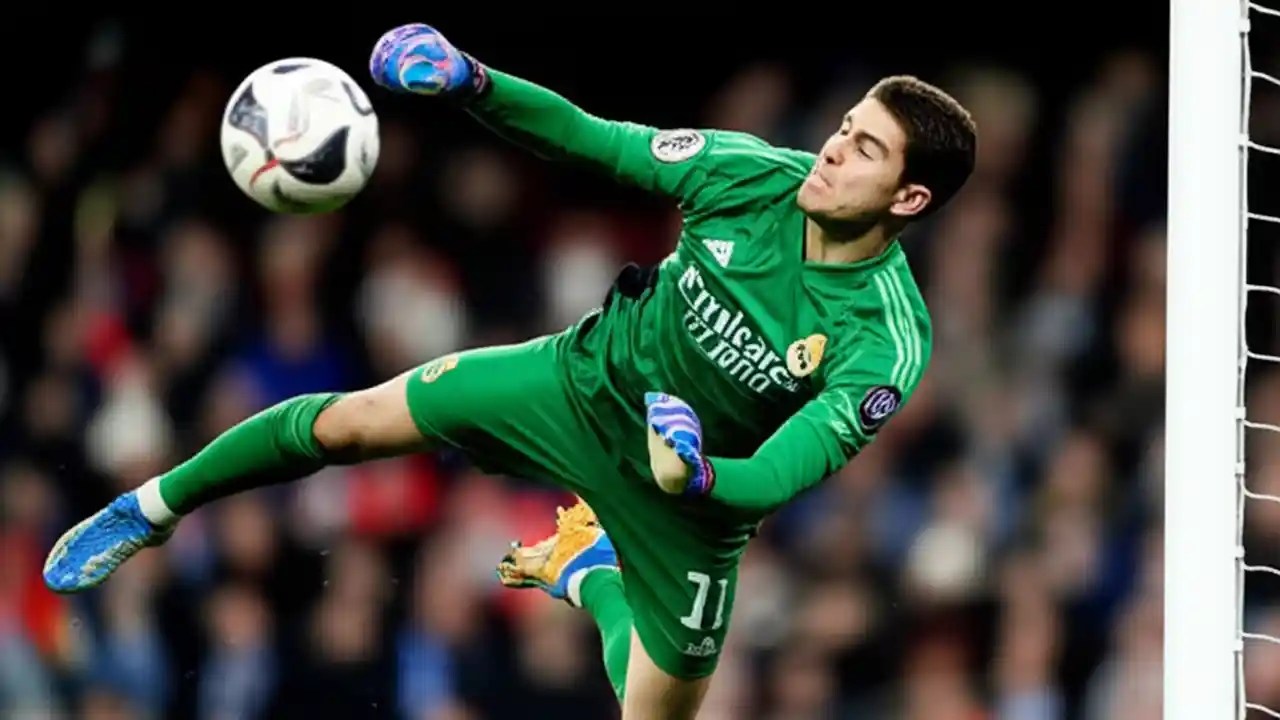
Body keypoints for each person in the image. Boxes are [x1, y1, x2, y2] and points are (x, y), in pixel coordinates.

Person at [43, 23, 977, 719]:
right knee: (352, 423)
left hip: (692, 501)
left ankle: (594, 572)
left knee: (654, 715)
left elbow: (787, 472)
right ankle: (152, 507)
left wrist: (696, 474)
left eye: (864, 148)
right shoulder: (750, 175)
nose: (832, 148)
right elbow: (592, 138)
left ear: (910, 196)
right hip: (574, 387)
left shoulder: (887, 339)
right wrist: (471, 82)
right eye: (844, 126)